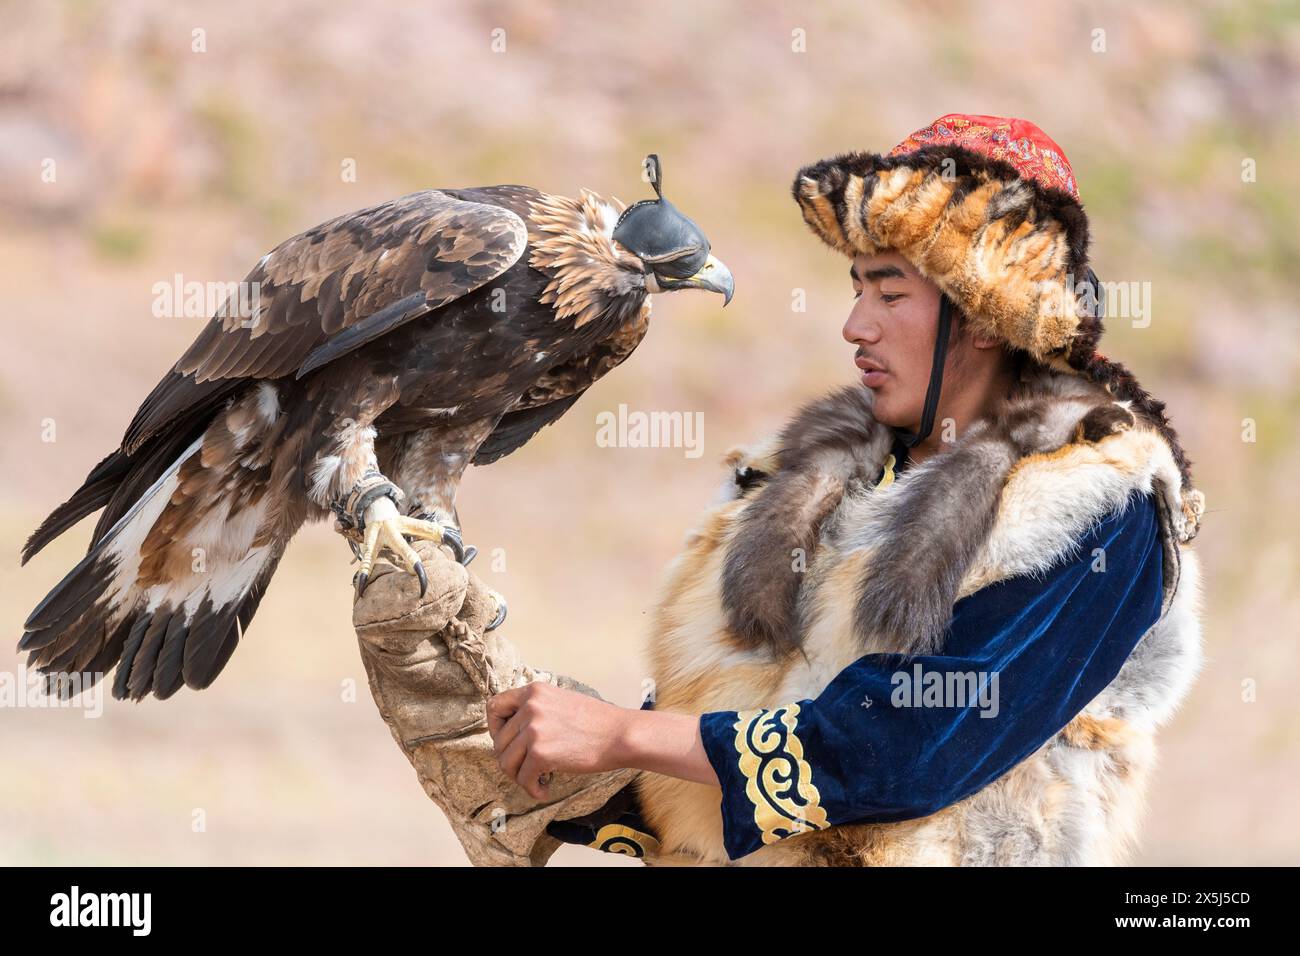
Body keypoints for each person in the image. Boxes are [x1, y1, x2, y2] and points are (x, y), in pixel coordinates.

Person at [481, 114, 1206, 865]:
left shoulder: (1094, 503)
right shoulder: (797, 485)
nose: (855, 326)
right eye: (857, 289)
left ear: (988, 313)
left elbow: (911, 746)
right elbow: (712, 770)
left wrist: (622, 736)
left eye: (890, 296)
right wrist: (519, 744)